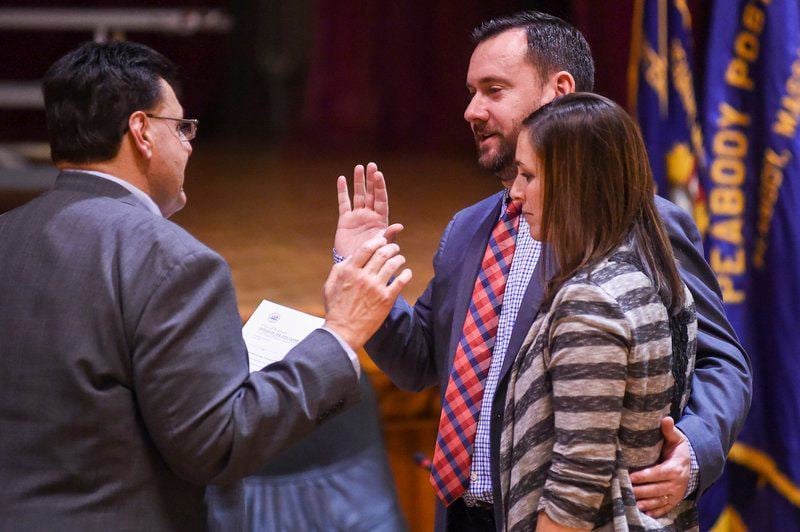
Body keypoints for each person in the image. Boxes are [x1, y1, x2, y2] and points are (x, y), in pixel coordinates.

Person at [333, 11, 751, 531]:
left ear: (559, 91)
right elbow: (418, 360)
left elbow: (721, 361)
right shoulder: (467, 228)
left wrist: (693, 450)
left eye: (493, 90)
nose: (471, 110)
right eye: (470, 91)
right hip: (463, 514)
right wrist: (361, 271)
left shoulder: (645, 223)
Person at [0, 41, 412, 530]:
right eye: (182, 128)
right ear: (141, 132)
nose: (190, 144)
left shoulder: (8, 234)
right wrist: (340, 333)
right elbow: (219, 446)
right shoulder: (174, 262)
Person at [501, 92, 698, 531]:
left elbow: (576, 483)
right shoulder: (651, 272)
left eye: (528, 175)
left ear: (577, 183)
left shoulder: (592, 298)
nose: (515, 193)